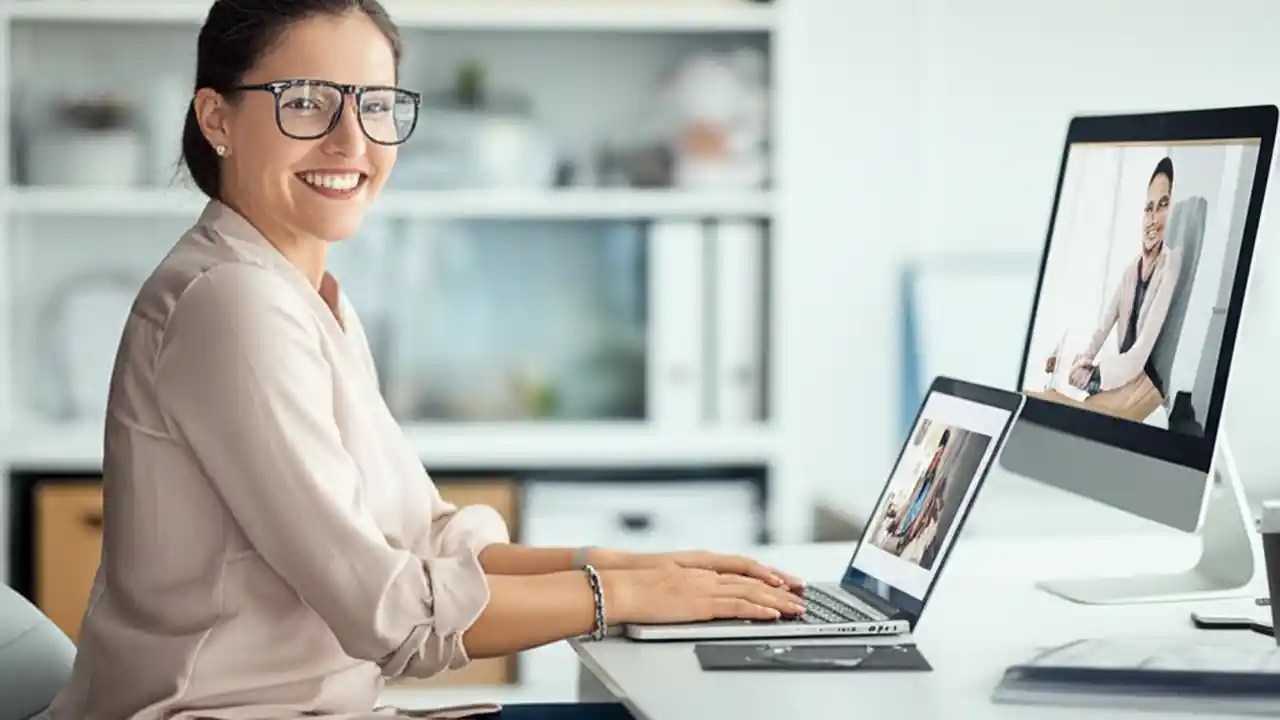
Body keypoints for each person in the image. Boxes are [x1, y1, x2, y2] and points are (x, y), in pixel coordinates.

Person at [39, 2, 804, 719]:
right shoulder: (232, 303)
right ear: (217, 119)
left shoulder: (302, 291)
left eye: (376, 104)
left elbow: (425, 537)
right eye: (305, 101)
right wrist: (622, 595)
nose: (351, 142)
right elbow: (393, 616)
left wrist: (623, 566)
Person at [1045, 157, 1183, 422]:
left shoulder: (1171, 264)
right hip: (1122, 377)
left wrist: (1095, 376)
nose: (1152, 219)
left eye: (1163, 205)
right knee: (1056, 400)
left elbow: (1140, 354)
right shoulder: (1131, 271)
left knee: (1067, 412)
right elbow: (1102, 328)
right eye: (1148, 208)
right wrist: (1083, 361)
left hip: (1144, 383)